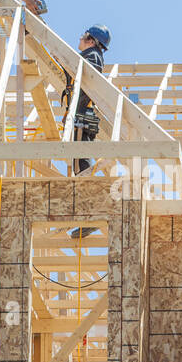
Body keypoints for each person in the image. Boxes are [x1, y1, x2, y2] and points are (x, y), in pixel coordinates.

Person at [64, 25, 111, 238]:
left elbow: (87, 79)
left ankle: (95, 212)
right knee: (80, 166)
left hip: (82, 119)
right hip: (82, 117)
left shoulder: (91, 56)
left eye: (83, 36)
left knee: (81, 166)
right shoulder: (91, 56)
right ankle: (92, 213)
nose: (80, 38)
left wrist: (75, 110)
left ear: (91, 40)